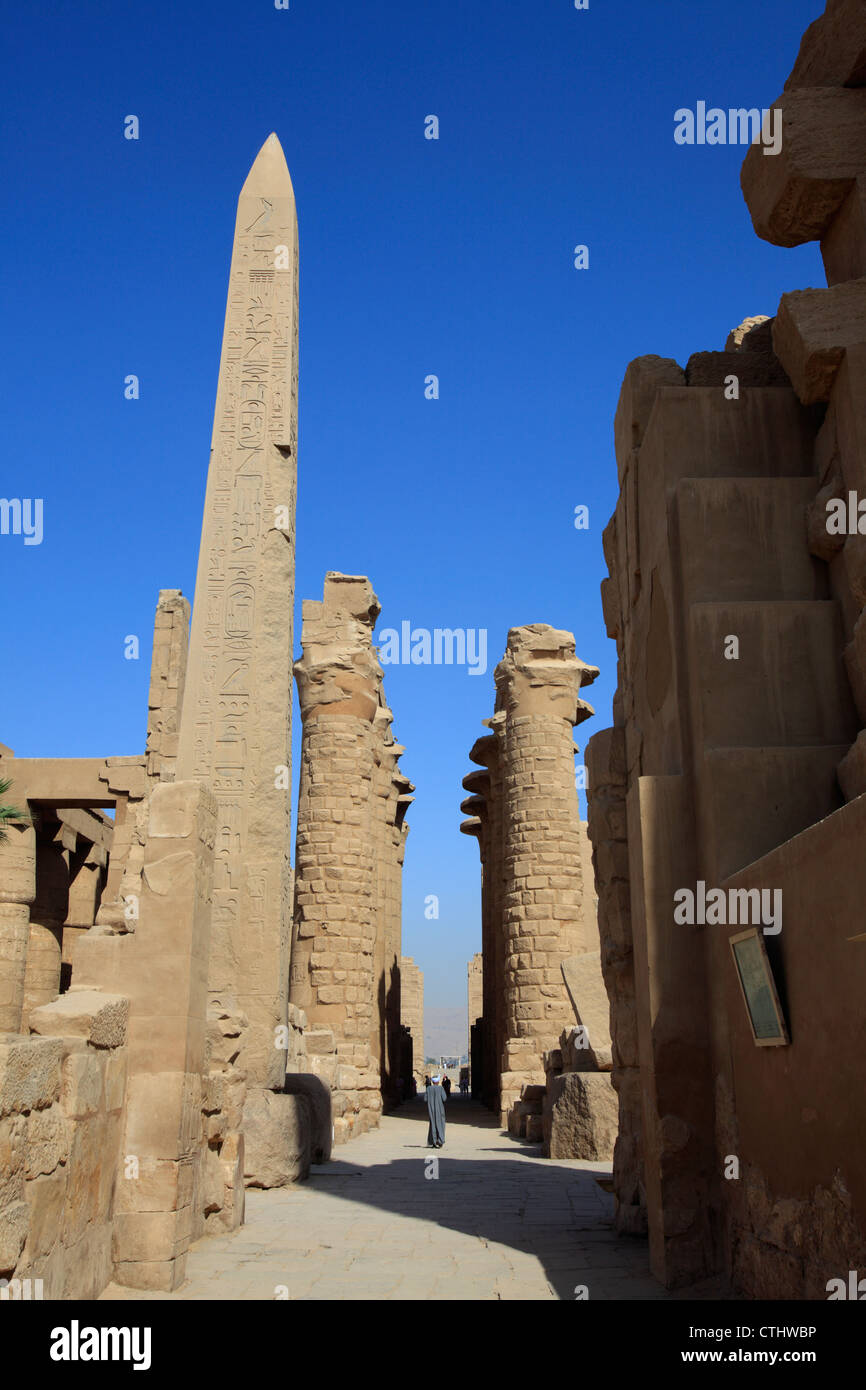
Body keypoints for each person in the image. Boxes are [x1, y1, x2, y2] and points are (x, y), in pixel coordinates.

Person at [426, 1074, 447, 1148]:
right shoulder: (441, 1088)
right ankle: (440, 1140)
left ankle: (433, 1141)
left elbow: (425, 1099)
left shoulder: (428, 1088)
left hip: (431, 1109)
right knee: (440, 1124)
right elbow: (444, 1098)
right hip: (440, 1109)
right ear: (438, 1081)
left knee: (433, 1124)